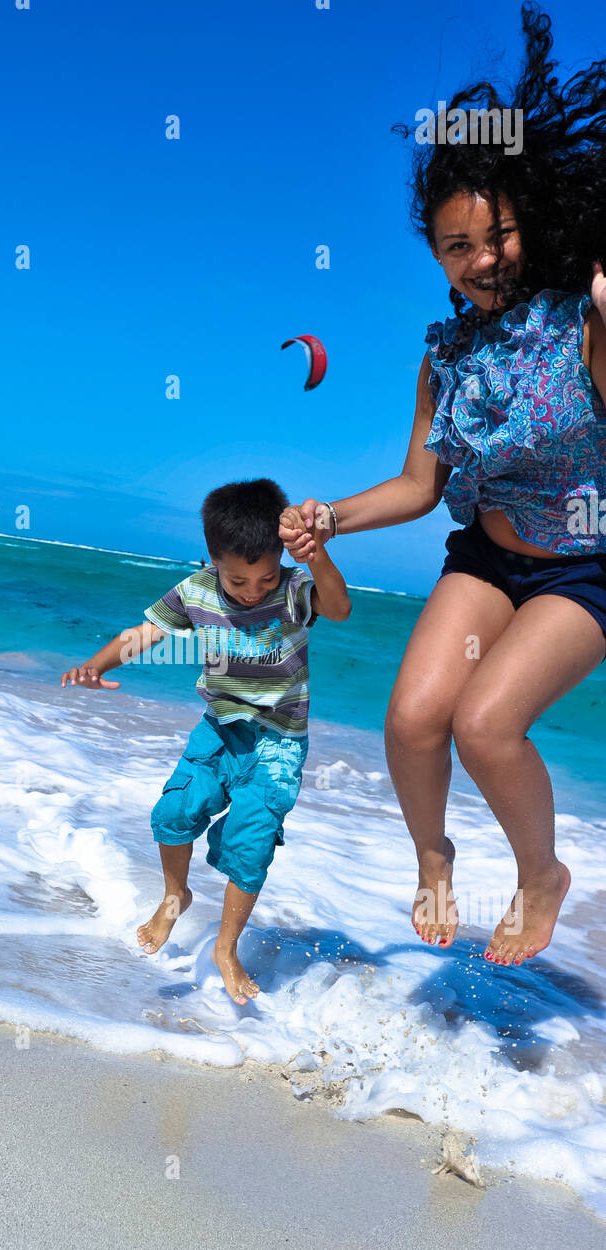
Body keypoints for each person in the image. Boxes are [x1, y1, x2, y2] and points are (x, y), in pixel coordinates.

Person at [280, 3, 606, 969]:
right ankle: (434, 858)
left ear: (527, 225)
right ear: (434, 255)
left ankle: (540, 875)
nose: (482, 260)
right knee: (412, 720)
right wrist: (327, 517)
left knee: (484, 724)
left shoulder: (579, 325)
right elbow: (419, 485)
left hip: (581, 568)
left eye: (496, 236)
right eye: (458, 247)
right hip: (484, 560)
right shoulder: (447, 357)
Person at [61, 478, 350, 1003]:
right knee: (173, 814)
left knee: (251, 841)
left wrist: (319, 555)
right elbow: (143, 634)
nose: (253, 591)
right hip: (218, 728)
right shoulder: (194, 590)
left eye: (264, 577)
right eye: (239, 580)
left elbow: (339, 606)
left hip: (279, 741)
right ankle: (176, 896)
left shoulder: (291, 590)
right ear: (212, 558)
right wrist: (94, 666)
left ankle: (226, 946)